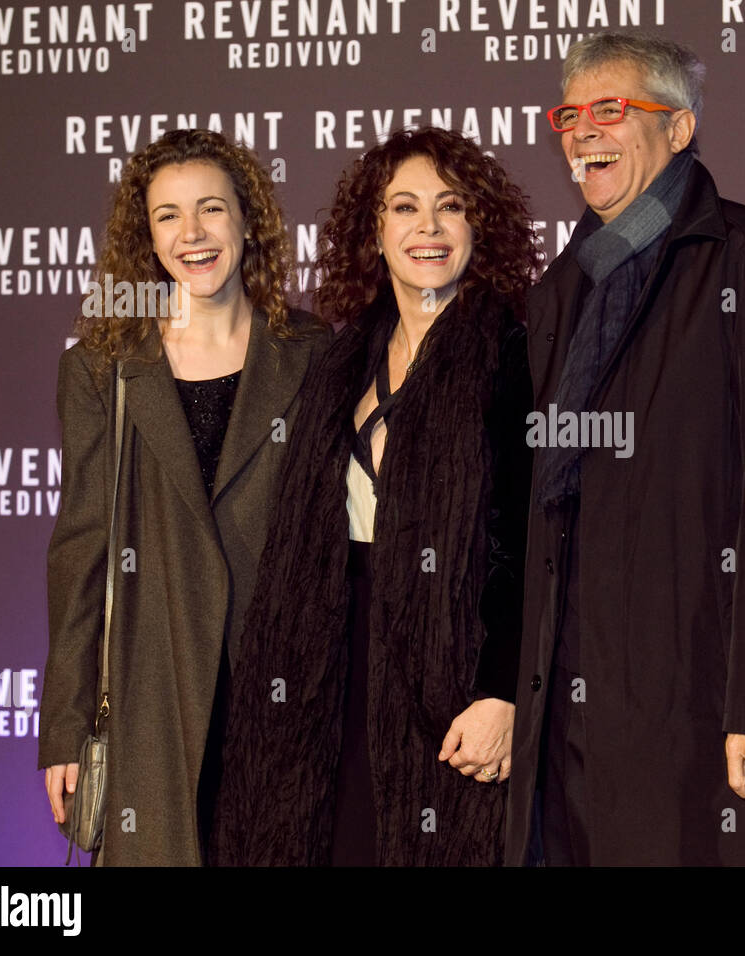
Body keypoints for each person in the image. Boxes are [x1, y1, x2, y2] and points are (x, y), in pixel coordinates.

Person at [505, 33, 745, 865]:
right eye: (569, 116)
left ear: (678, 128)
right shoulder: (561, 292)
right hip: (584, 704)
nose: (583, 131)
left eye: (611, 109)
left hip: (709, 692)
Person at [211, 127, 537, 866]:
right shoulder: (340, 357)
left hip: (452, 672)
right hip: (332, 663)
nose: (429, 227)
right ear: (375, 230)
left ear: (479, 226)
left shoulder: (514, 357)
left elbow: (529, 546)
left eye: (450, 206)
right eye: (405, 207)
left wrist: (504, 694)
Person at [38, 129, 327, 865]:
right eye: (168, 215)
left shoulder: (313, 353)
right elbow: (81, 553)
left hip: (284, 692)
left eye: (211, 209)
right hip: (151, 694)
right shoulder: (103, 369)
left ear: (248, 221)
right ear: (146, 236)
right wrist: (66, 725)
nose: (192, 234)